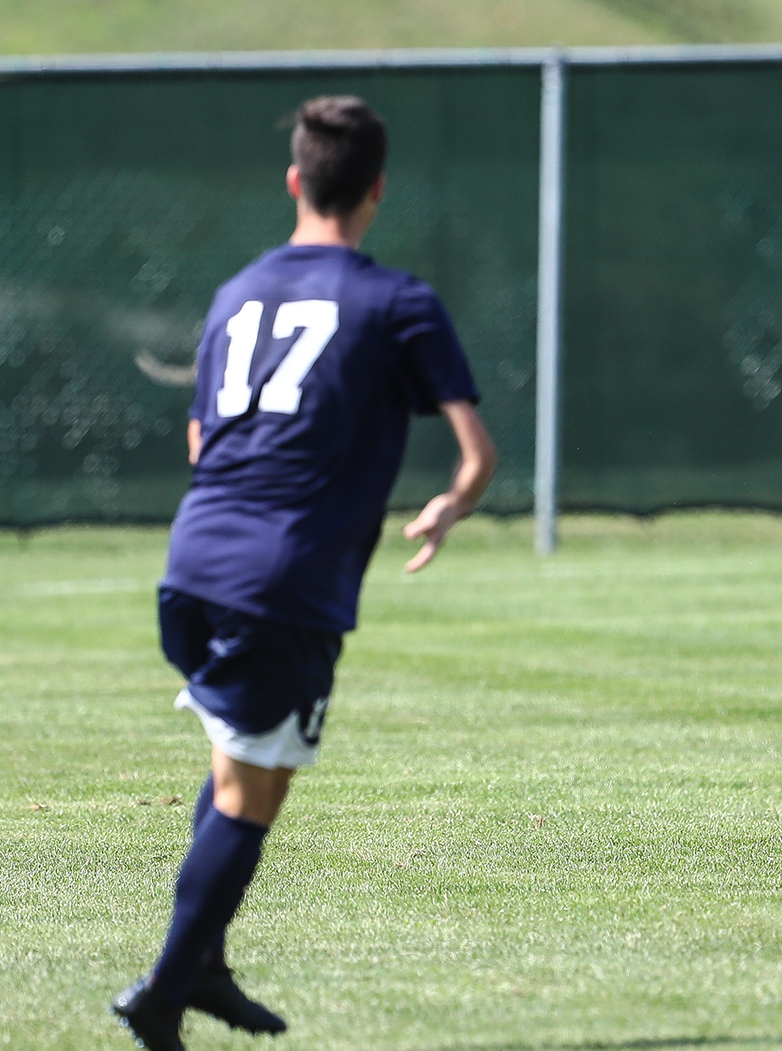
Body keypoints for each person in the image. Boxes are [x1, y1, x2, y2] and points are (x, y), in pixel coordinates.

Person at [112, 95, 496, 1050]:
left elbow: (204, 437)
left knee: (238, 761)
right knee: (255, 792)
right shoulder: (396, 301)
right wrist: (450, 503)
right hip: (283, 581)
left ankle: (203, 964)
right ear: (376, 189)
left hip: (195, 558)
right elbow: (475, 450)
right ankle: (163, 991)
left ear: (294, 181)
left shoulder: (236, 293)